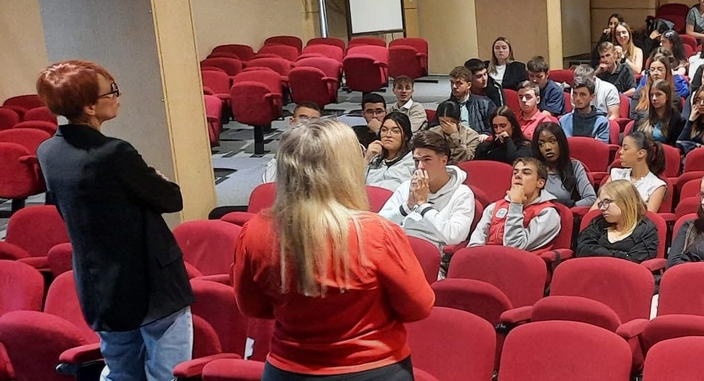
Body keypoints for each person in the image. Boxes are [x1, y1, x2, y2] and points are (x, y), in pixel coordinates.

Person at [231, 119, 434, 380]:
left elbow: (252, 307)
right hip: (374, 369)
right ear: (346, 169)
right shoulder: (378, 233)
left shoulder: (254, 232)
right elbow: (419, 307)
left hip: (289, 369)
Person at [36, 60, 194, 380]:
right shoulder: (115, 153)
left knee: (122, 371)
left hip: (101, 288)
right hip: (152, 286)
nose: (118, 97)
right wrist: (153, 178)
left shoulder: (48, 151)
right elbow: (170, 198)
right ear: (91, 106)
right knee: (166, 374)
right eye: (113, 91)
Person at [378, 131, 477, 253]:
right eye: (416, 160)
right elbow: (380, 224)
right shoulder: (407, 187)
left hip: (431, 256)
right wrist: (408, 206)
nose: (420, 167)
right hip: (398, 250)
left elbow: (454, 236)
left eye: (427, 160)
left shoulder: (462, 194)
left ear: (444, 161)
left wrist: (423, 206)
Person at [467, 157, 565, 251]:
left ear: (540, 183)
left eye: (526, 173)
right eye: (515, 173)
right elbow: (474, 245)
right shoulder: (494, 207)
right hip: (487, 261)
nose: (517, 176)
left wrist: (516, 206)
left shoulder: (548, 213)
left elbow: (514, 247)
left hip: (520, 265)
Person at [575, 180, 660, 262]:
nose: (602, 208)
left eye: (607, 202)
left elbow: (634, 261)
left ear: (626, 201)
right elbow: (582, 249)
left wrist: (601, 253)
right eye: (600, 203)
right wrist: (621, 255)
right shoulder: (598, 223)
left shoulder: (646, 230)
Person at [532, 122, 598, 208]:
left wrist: (566, 209)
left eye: (552, 141)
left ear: (561, 143)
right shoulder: (532, 170)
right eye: (541, 144)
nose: (547, 147)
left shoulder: (574, 166)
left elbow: (591, 199)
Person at [262, 102, 323, 183]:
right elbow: (269, 183)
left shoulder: (325, 148)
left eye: (314, 120)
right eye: (303, 118)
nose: (308, 122)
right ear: (292, 121)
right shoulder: (284, 147)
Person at [609, 131, 669, 212]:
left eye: (625, 148)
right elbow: (597, 206)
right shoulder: (616, 174)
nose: (620, 152)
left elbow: (648, 219)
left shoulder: (656, 185)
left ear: (641, 153)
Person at [365, 112, 415, 188]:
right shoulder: (374, 158)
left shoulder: (414, 161)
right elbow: (355, 185)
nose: (388, 135)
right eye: (384, 130)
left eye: (395, 131)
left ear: (406, 136)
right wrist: (367, 159)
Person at [445, 64, 497, 135]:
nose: (454, 86)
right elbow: (434, 127)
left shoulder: (485, 103)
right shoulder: (445, 106)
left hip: (478, 140)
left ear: (469, 85)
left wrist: (486, 134)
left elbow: (495, 125)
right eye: (452, 83)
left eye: (459, 83)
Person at [559, 73, 610, 141]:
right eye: (575, 94)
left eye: (583, 94)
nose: (578, 98)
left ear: (592, 97)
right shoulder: (563, 121)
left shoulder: (601, 122)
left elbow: (601, 149)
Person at [632, 79, 686, 145]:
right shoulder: (642, 116)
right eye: (651, 95)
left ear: (667, 96)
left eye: (658, 94)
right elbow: (633, 139)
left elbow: (675, 146)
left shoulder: (678, 120)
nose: (654, 98)